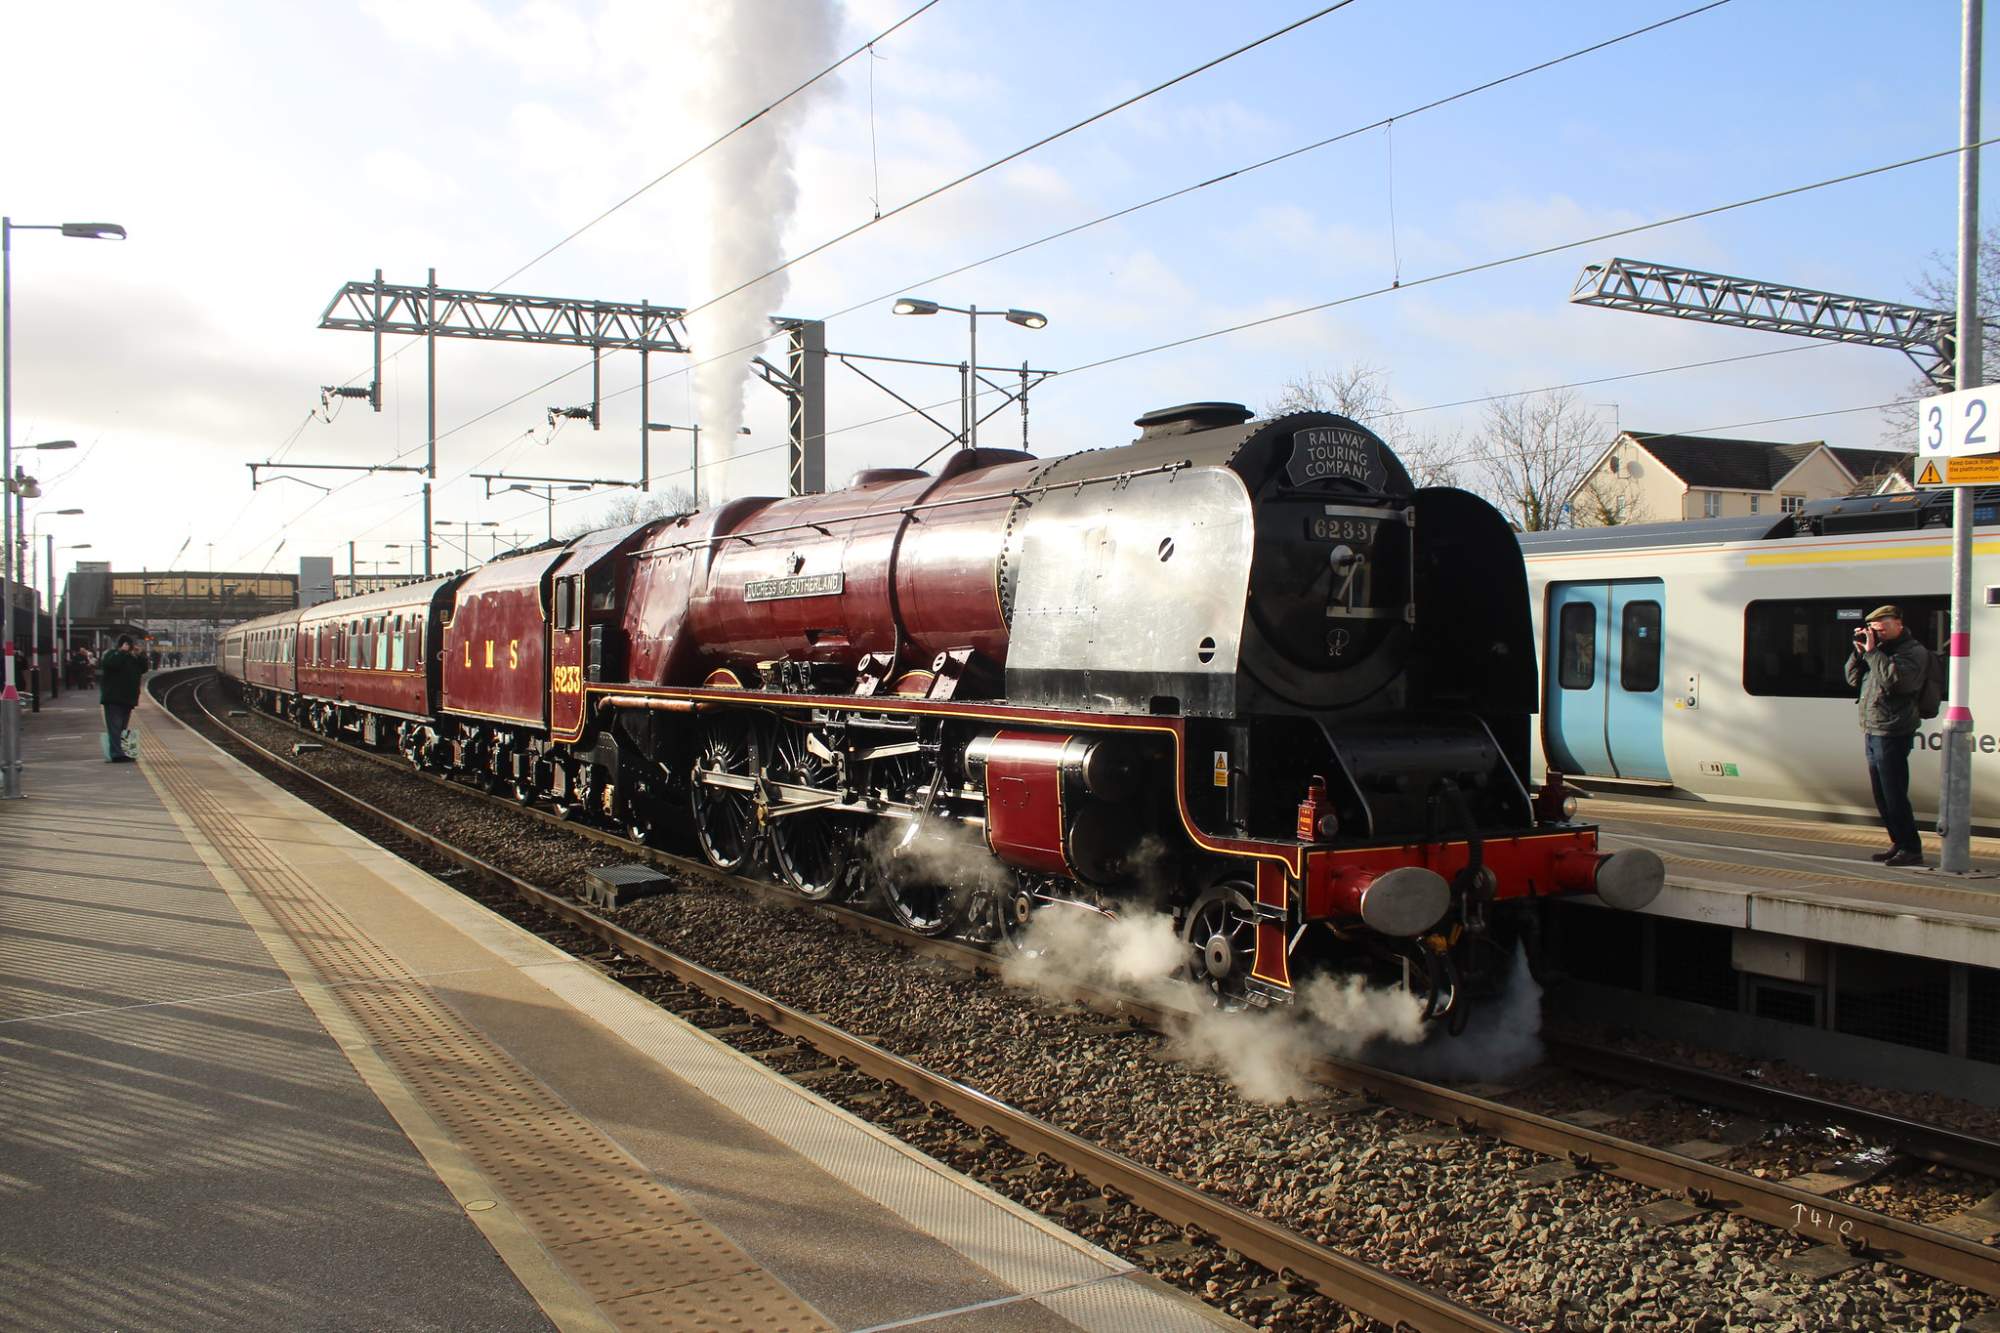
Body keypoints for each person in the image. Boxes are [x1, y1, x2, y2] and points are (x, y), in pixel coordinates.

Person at [1843, 605, 1930, 867]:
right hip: (1873, 728)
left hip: (1893, 730)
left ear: (1898, 625)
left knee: (1894, 792)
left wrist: (1873, 653)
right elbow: (1851, 679)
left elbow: (1896, 682)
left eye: (1882, 627)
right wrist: (1859, 653)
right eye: (1874, 629)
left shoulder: (1912, 652)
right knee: (1881, 793)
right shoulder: (1879, 652)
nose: (1878, 633)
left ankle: (1911, 847)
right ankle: (1899, 842)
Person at [98, 635, 148, 764]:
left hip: (128, 699)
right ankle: (116, 754)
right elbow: (110, 664)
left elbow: (144, 668)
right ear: (121, 645)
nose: (130, 647)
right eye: (128, 645)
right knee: (115, 728)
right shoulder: (111, 654)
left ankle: (120, 752)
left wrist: (140, 655)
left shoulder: (132, 658)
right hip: (113, 699)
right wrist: (122, 652)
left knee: (121, 728)